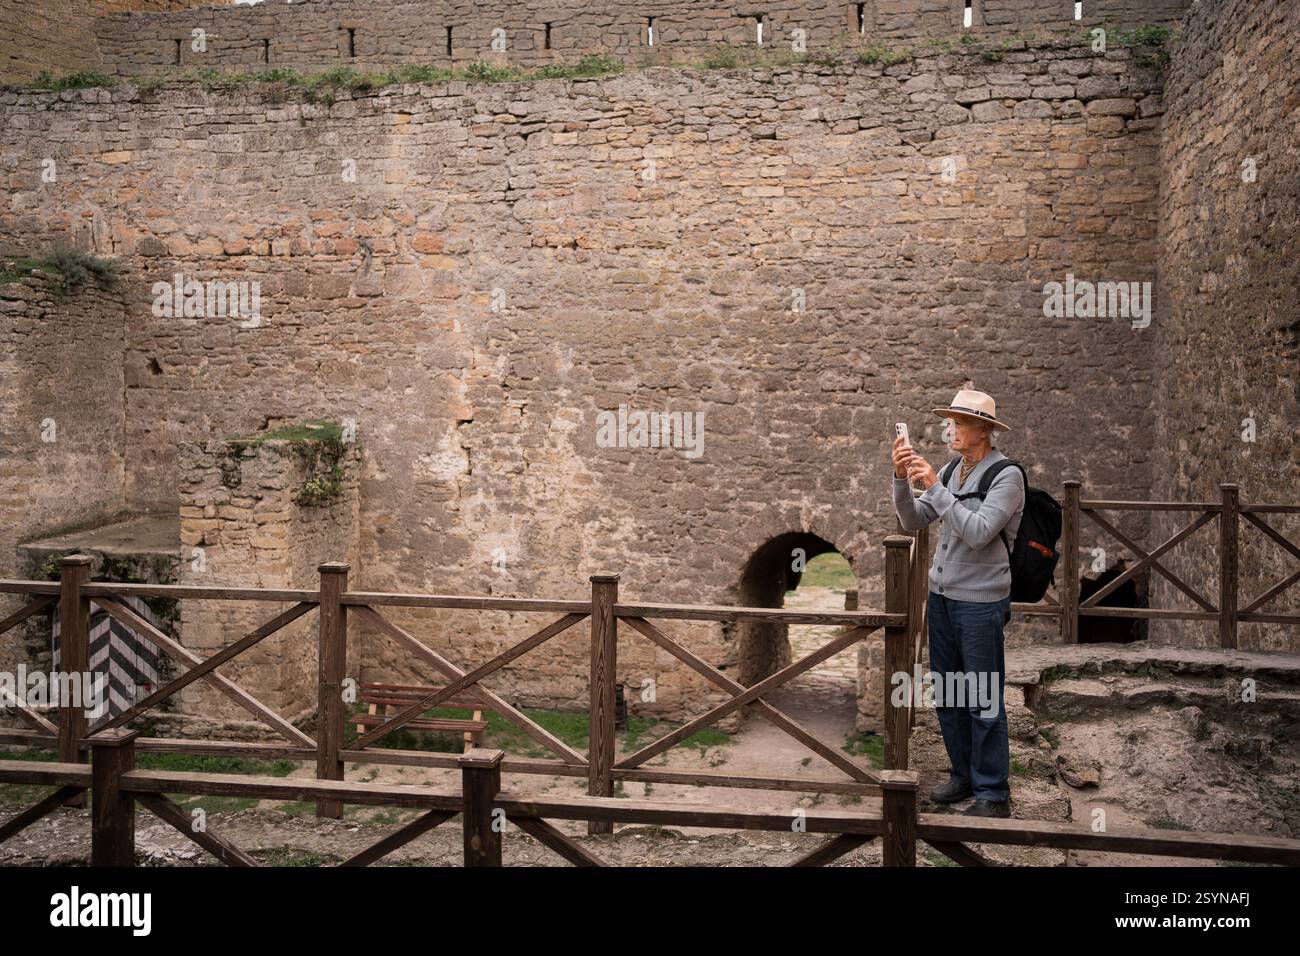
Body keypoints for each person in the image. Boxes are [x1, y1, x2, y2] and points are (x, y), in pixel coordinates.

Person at [890, 389, 1025, 818]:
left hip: (981, 602)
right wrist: (900, 479)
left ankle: (992, 794)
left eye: (960, 422)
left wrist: (934, 485)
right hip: (943, 598)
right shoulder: (951, 469)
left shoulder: (1007, 476)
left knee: (983, 696)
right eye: (951, 421)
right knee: (948, 692)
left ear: (984, 430)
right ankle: (963, 775)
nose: (951, 429)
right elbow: (912, 520)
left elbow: (981, 531)